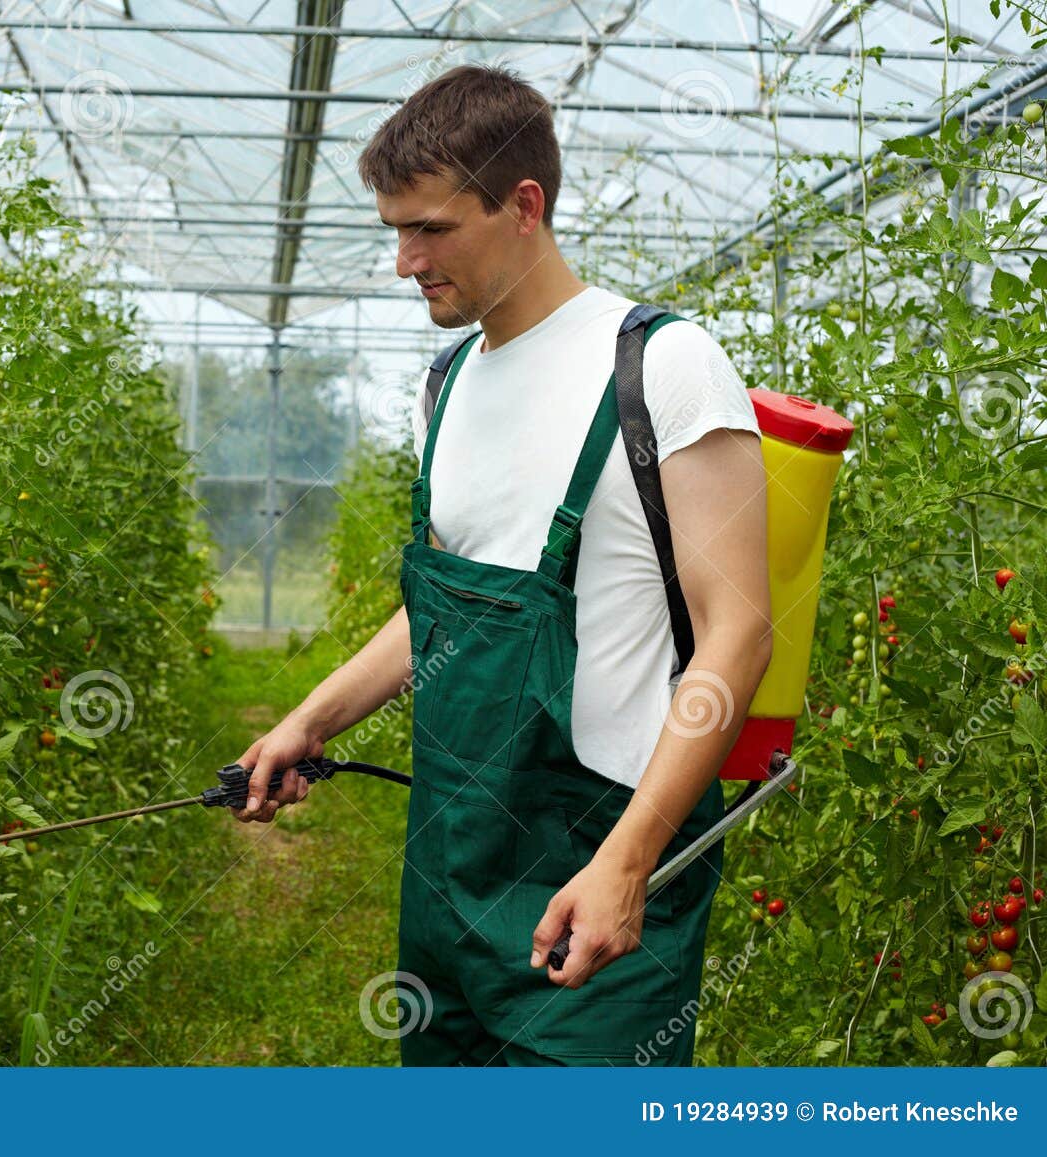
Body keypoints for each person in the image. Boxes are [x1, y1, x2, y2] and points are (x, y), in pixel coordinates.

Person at [231, 64, 772, 1066]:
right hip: (451, 861)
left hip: (598, 862)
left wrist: (627, 862)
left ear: (523, 205)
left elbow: (738, 631)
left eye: (430, 228)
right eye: (394, 229)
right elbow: (444, 610)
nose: (403, 261)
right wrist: (309, 719)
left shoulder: (660, 368)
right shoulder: (449, 385)